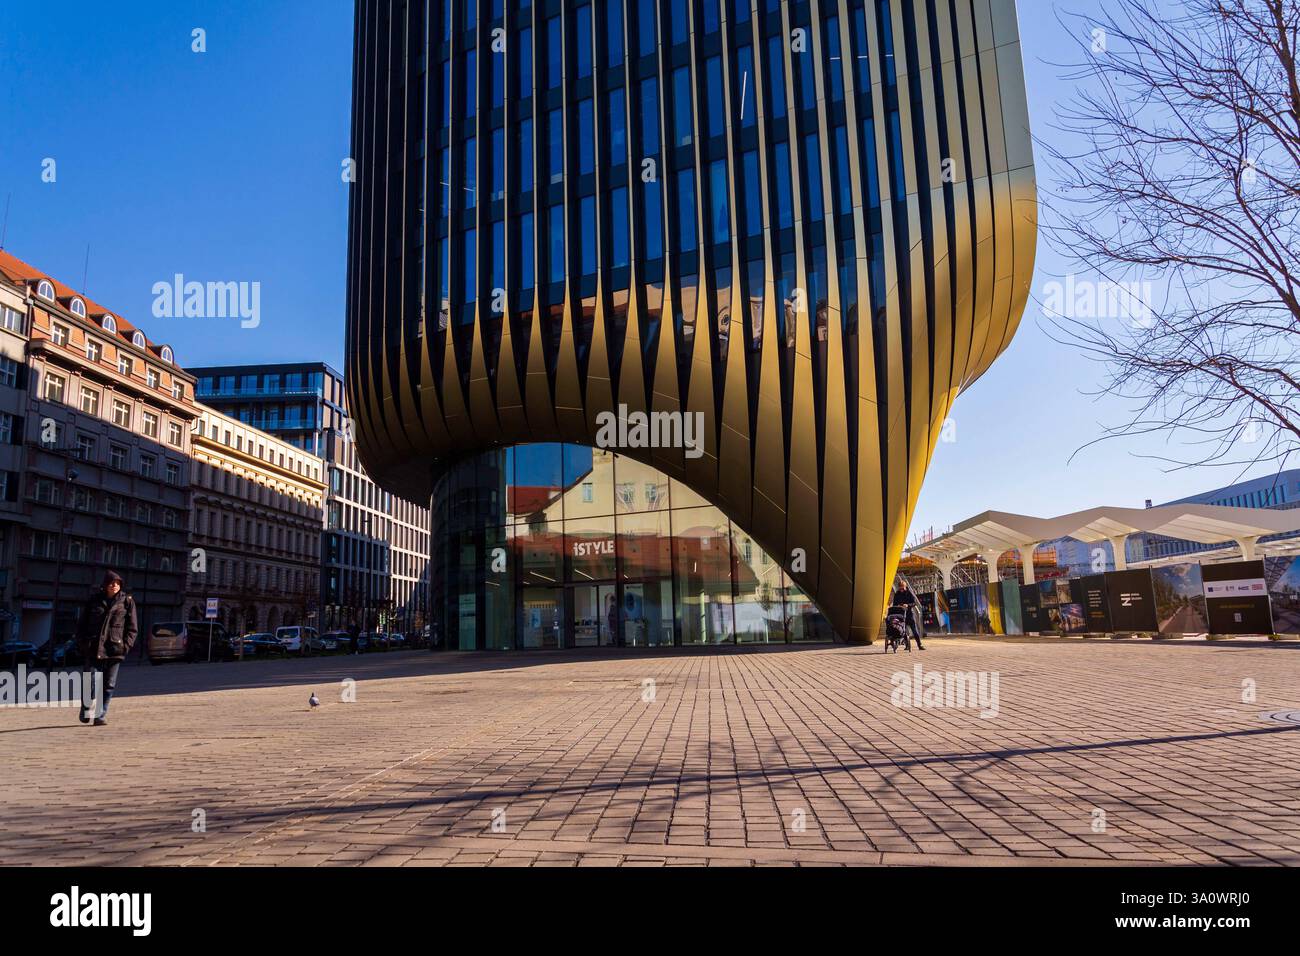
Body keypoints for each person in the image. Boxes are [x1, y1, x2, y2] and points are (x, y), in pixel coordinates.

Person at [74, 570, 138, 726]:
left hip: (114, 650)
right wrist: (83, 643)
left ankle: (100, 715)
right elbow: (81, 625)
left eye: (117, 583)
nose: (114, 586)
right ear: (105, 585)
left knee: (108, 685)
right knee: (90, 682)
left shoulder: (127, 601)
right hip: (94, 648)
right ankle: (86, 708)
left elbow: (132, 628)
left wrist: (125, 646)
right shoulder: (94, 600)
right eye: (111, 583)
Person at [891, 578, 925, 651]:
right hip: (901, 616)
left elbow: (914, 603)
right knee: (904, 632)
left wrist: (908, 605)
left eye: (903, 588)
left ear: (905, 586)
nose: (901, 589)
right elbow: (894, 604)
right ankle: (907, 646)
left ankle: (920, 645)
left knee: (915, 631)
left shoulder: (909, 593)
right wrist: (899, 606)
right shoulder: (897, 594)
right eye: (900, 588)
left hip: (909, 615)